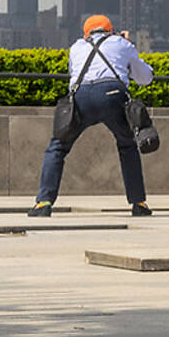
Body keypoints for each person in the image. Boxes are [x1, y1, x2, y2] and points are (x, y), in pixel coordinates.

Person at [31, 15, 154, 217]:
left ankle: (43, 203)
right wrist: (127, 46)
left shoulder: (76, 47)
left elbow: (74, 73)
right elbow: (145, 78)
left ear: (86, 33)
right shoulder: (121, 43)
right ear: (111, 30)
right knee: (127, 145)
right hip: (112, 96)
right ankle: (138, 203)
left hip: (81, 97)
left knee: (58, 147)